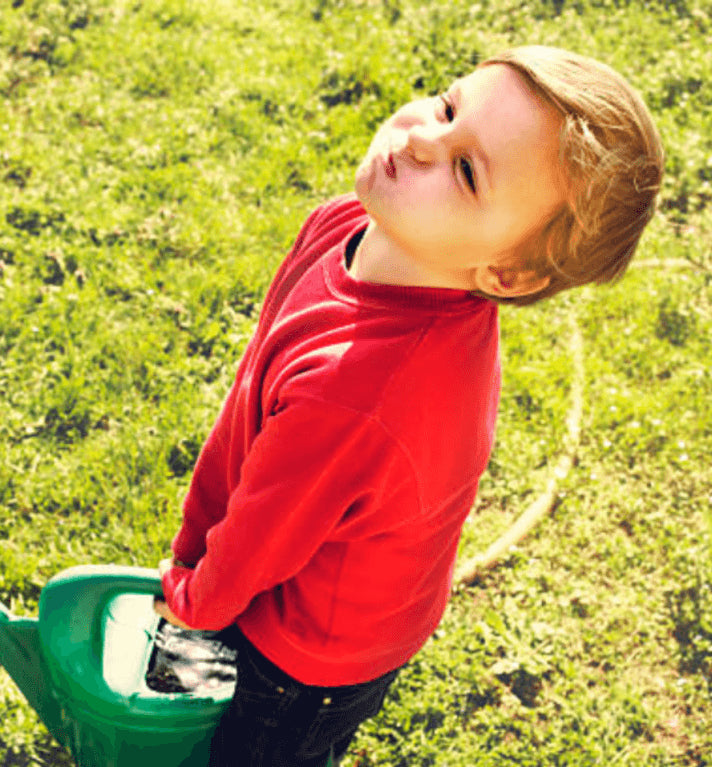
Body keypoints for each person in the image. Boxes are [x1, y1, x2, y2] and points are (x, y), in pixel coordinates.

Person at [153, 45, 663, 767]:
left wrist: (194, 599)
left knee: (254, 753)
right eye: (449, 106)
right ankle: (184, 704)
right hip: (275, 565)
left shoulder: (359, 391)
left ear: (506, 271)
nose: (422, 137)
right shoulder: (350, 226)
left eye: (464, 170)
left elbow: (261, 539)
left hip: (306, 656)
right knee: (195, 701)